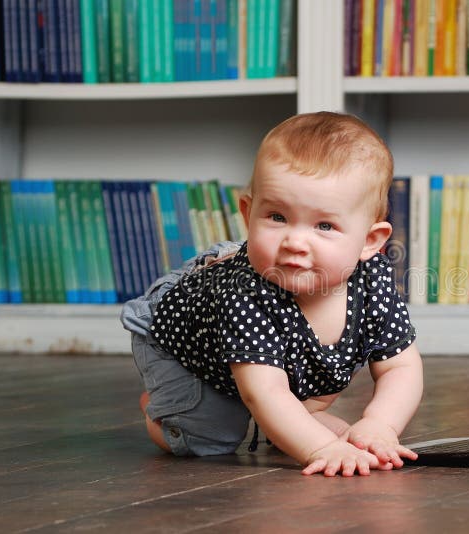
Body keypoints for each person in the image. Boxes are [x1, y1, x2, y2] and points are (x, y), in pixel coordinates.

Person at [121, 111, 423, 477]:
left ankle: (295, 421)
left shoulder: (372, 277)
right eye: (277, 217)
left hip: (271, 345)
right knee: (211, 439)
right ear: (248, 213)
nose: (295, 241)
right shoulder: (246, 294)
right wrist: (321, 447)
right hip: (178, 336)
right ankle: (167, 409)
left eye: (324, 225)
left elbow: (400, 366)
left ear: (370, 241)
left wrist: (380, 424)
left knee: (331, 364)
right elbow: (263, 392)